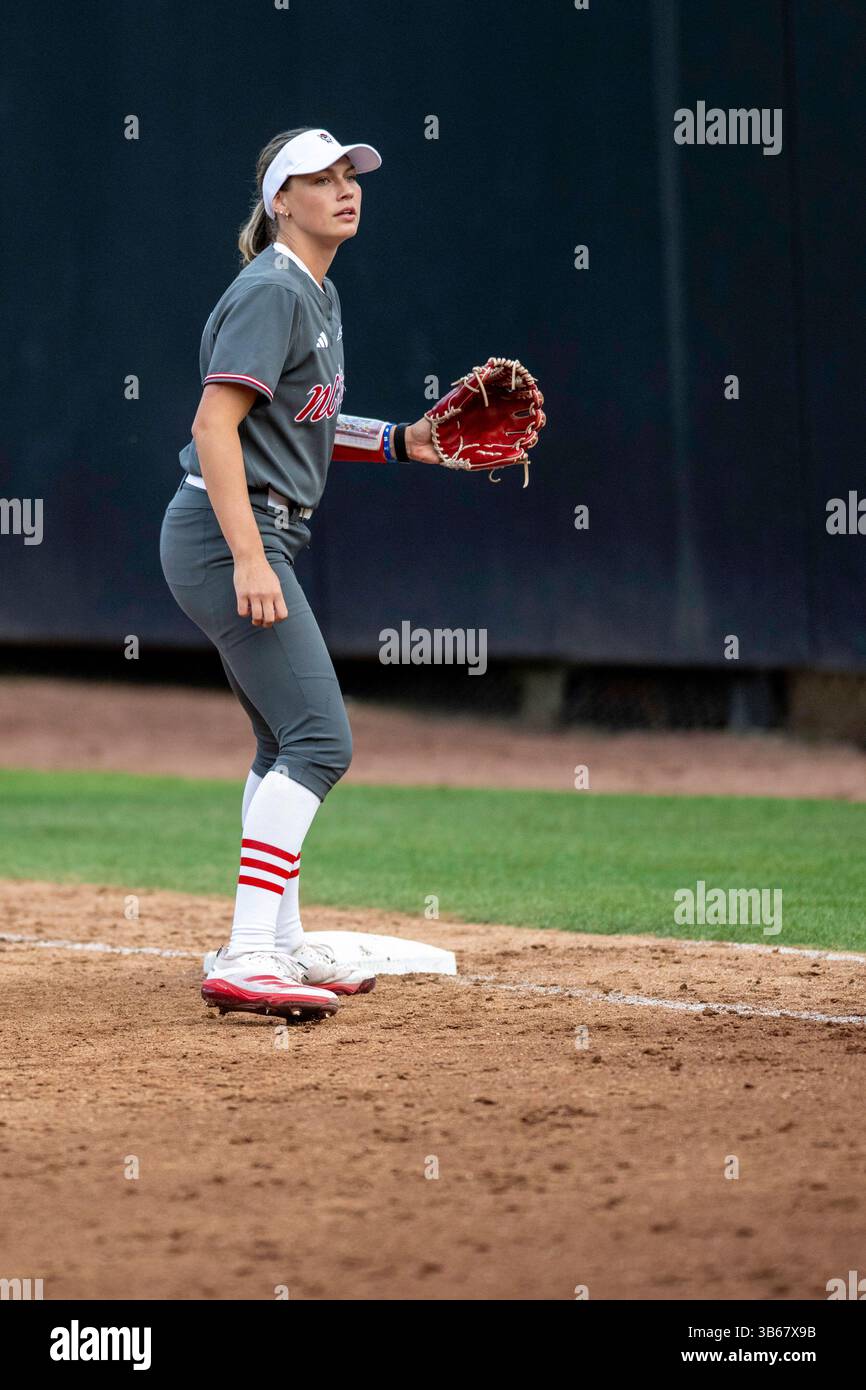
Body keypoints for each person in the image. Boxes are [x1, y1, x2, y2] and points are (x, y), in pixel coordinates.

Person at [159, 126, 440, 1021]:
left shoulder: (313, 291)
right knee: (323, 741)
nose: (344, 189)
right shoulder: (274, 290)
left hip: (244, 531)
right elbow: (215, 429)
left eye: (349, 175)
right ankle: (247, 955)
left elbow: (302, 423)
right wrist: (249, 555)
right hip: (226, 533)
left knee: (284, 742)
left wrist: (402, 442)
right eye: (318, 180)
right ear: (281, 201)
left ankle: (276, 943)